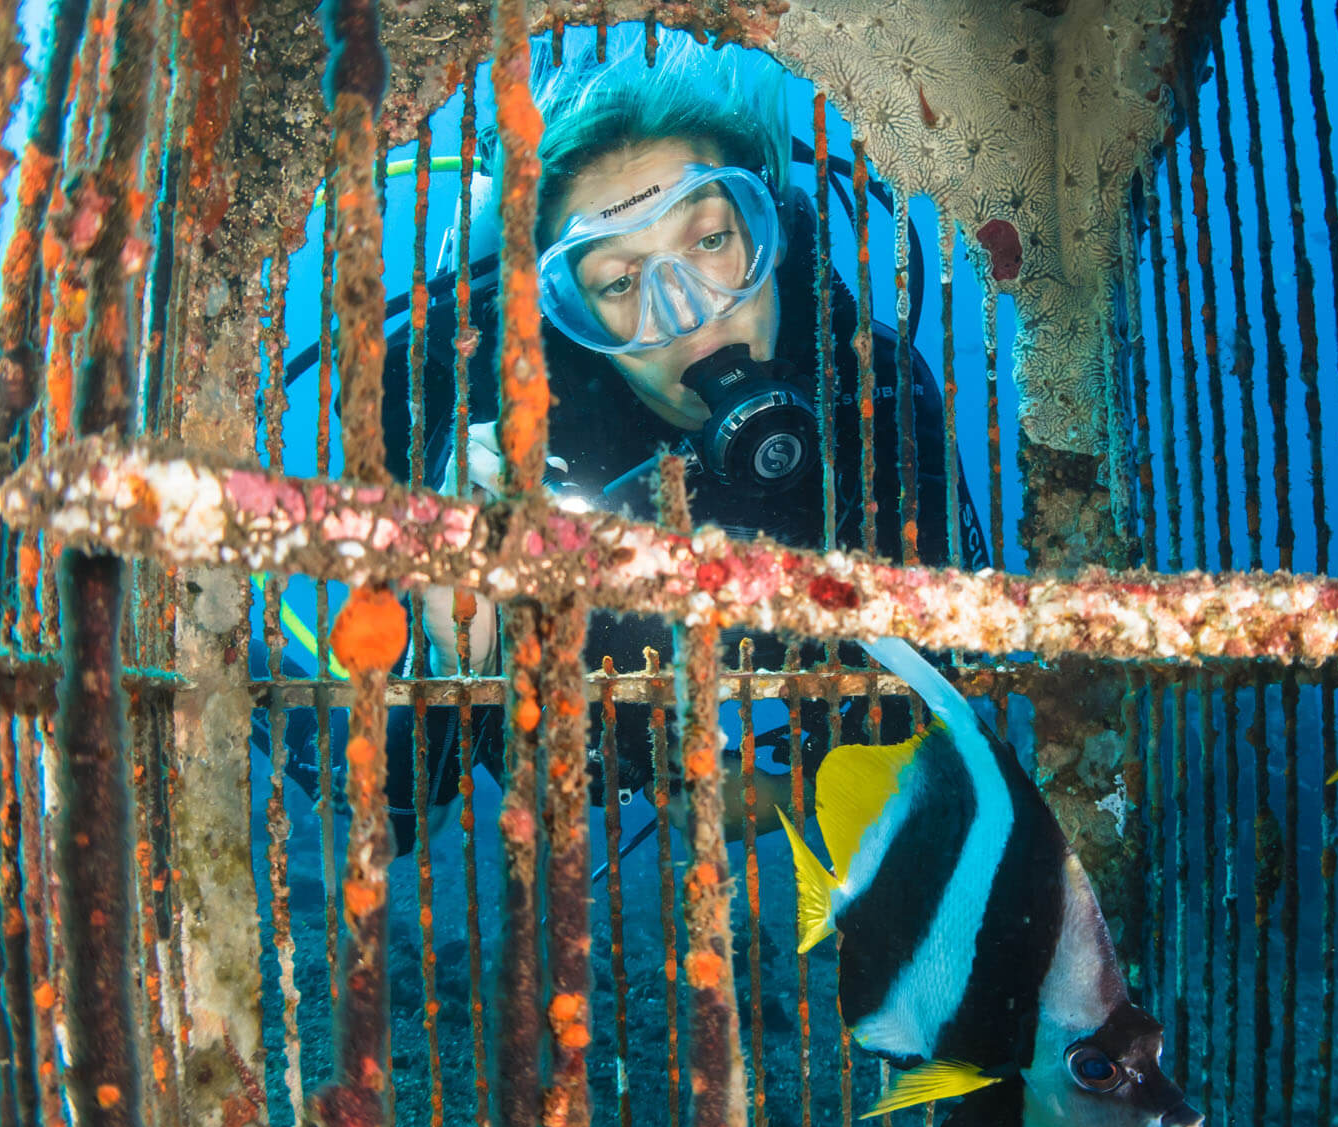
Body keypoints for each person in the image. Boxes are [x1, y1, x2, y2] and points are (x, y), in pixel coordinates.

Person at [320, 28, 990, 853]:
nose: (686, 313)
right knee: (391, 818)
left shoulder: (870, 388)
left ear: (767, 232)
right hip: (605, 667)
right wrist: (473, 654)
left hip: (796, 663)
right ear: (569, 313)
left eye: (710, 240)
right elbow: (530, 779)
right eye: (618, 282)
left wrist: (795, 793)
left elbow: (944, 684)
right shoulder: (529, 437)